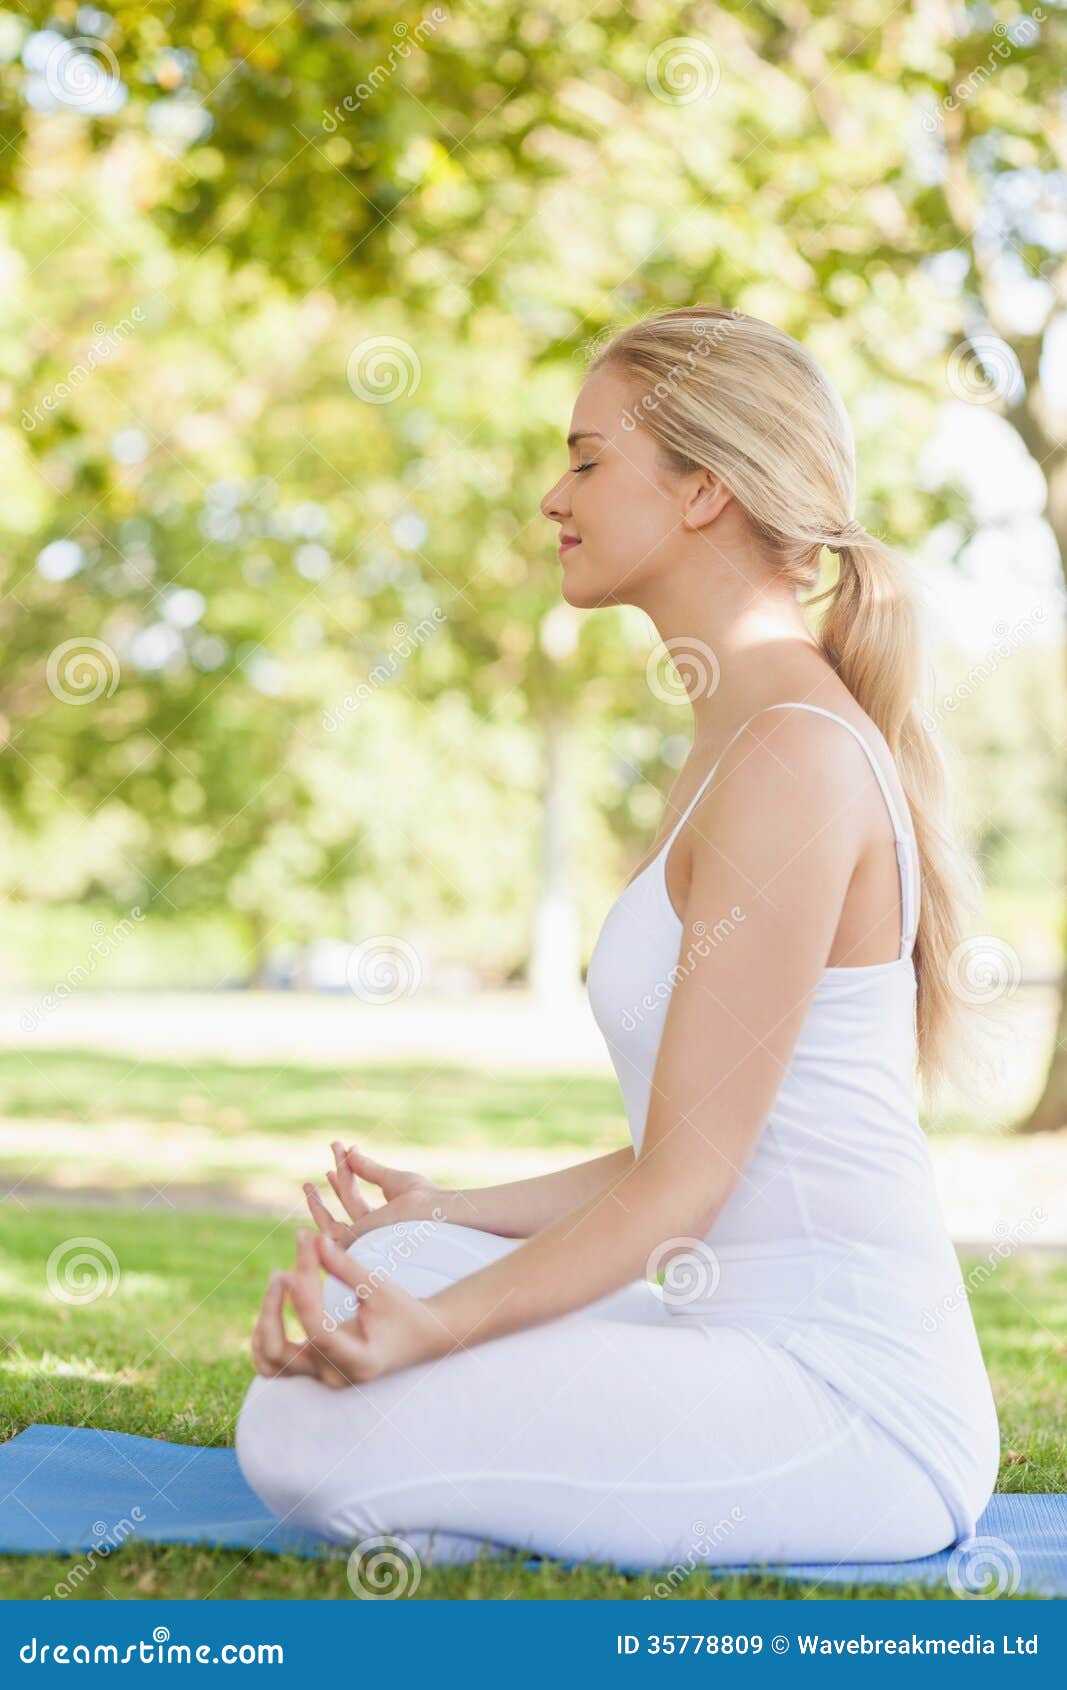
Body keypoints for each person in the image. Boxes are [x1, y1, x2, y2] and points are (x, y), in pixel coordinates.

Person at [234, 305, 1000, 1573]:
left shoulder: (791, 758)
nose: (552, 496)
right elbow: (687, 1148)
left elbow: (678, 1194)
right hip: (728, 1338)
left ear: (702, 490)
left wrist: (438, 1332)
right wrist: (445, 1214)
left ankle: (475, 1487)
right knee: (395, 1255)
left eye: (586, 460)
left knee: (304, 1429)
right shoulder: (735, 735)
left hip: (855, 1407)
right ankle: (499, 1473)